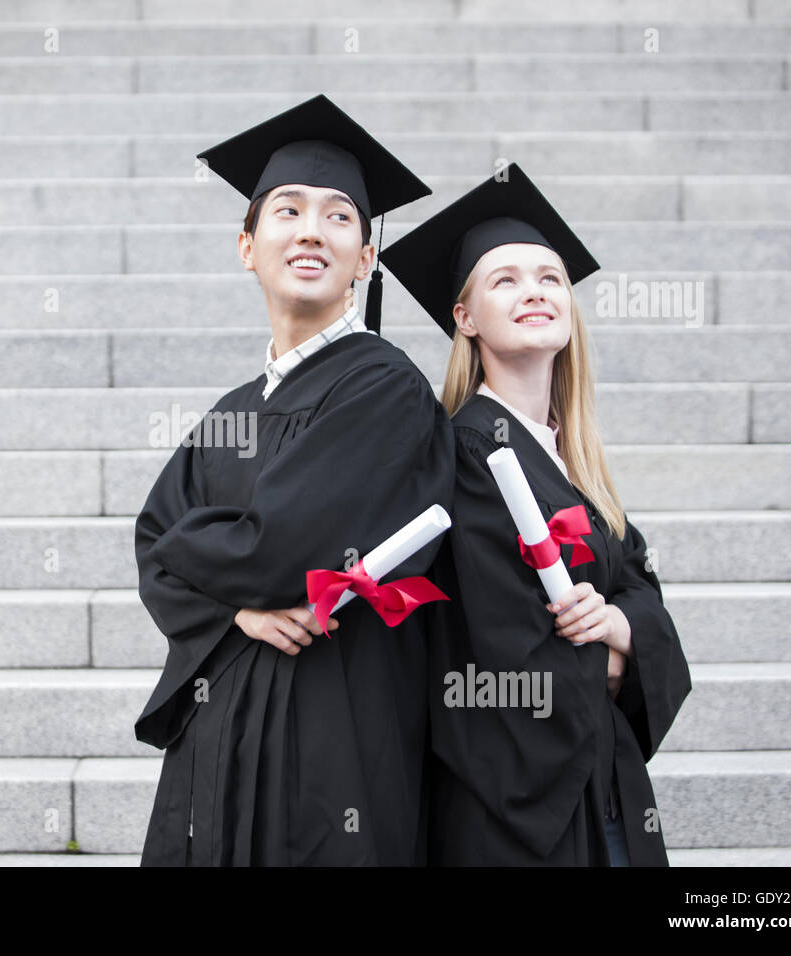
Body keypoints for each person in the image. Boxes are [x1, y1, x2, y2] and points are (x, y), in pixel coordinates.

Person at [133, 94, 455, 866]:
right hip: (221, 734)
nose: (312, 229)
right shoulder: (234, 410)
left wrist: (213, 568)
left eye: (341, 216)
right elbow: (152, 547)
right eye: (287, 210)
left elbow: (284, 546)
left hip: (332, 735)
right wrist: (236, 611)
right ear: (248, 246)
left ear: (367, 258)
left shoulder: (385, 387)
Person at [379, 163, 692, 866]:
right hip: (514, 808)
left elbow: (637, 582)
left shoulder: (576, 463)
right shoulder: (459, 455)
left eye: (551, 278)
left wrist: (621, 627)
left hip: (603, 781)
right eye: (506, 280)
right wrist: (609, 661)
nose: (536, 292)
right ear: (464, 319)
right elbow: (492, 635)